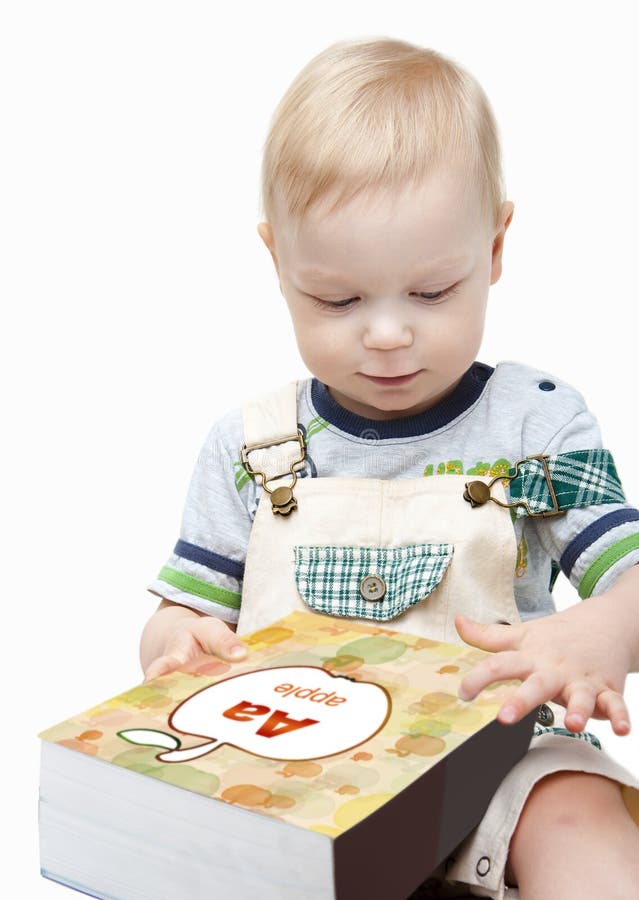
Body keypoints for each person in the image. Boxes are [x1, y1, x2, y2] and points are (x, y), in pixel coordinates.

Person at [139, 37, 639, 900]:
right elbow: (184, 613)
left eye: (431, 291)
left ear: (492, 247)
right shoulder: (251, 448)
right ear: (277, 263)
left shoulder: (538, 425)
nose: (385, 333)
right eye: (336, 299)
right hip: (301, 779)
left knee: (575, 813)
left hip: (500, 767)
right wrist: (173, 644)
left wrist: (601, 632)